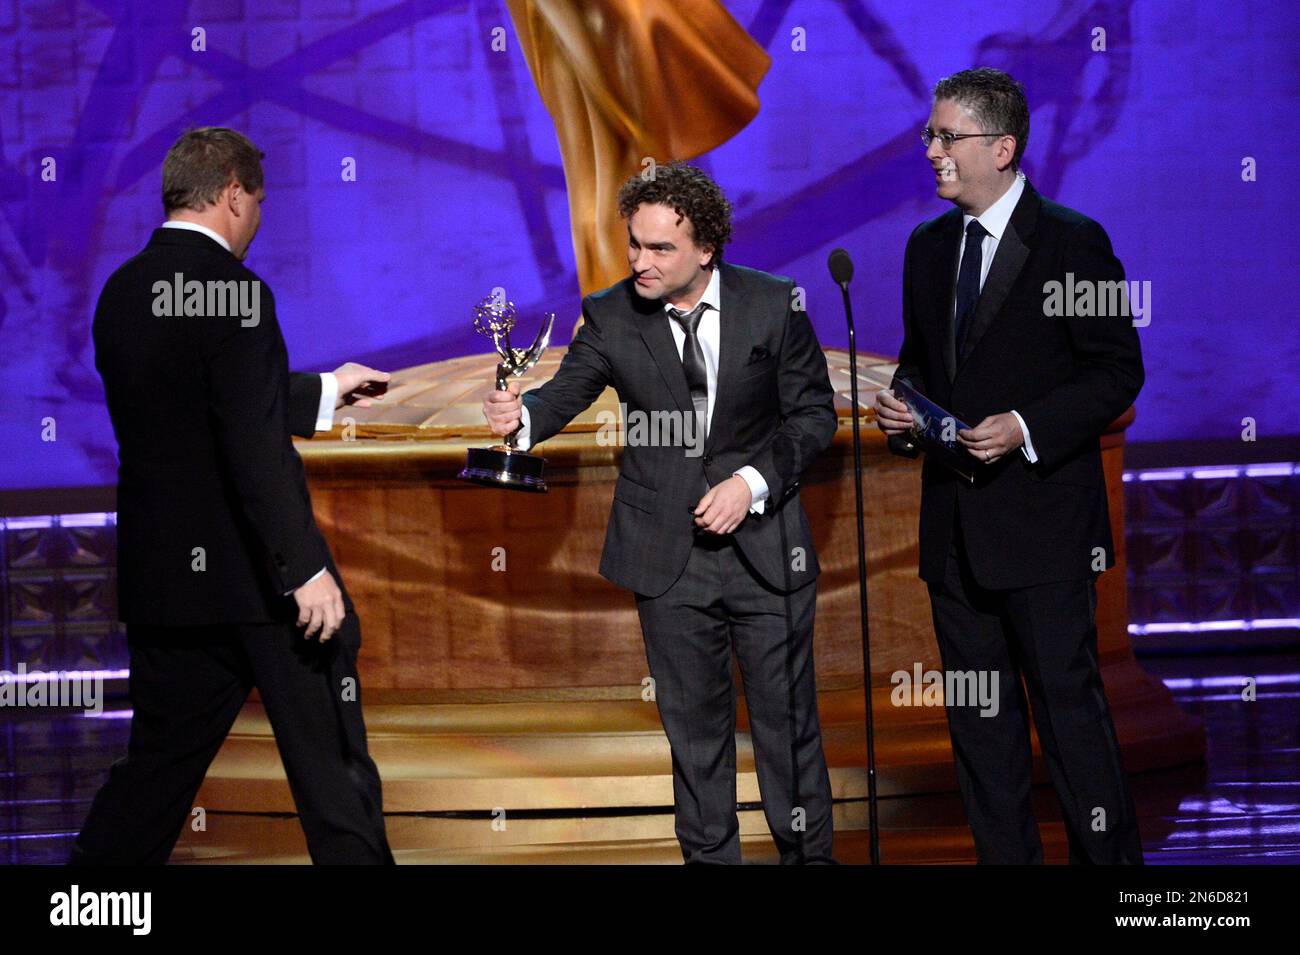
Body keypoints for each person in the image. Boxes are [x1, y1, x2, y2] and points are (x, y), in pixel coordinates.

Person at [483, 163, 838, 864]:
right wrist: (519, 418)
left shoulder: (774, 305)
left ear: (706, 248)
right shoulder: (612, 312)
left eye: (660, 249)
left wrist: (750, 482)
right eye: (634, 245)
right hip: (667, 559)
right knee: (696, 736)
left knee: (787, 728)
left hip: (769, 551)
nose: (641, 261)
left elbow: (813, 417)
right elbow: (565, 393)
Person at [74, 127, 394, 864]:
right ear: (231, 193)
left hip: (167, 589)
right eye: (257, 204)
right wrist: (305, 568)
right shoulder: (238, 292)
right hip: (260, 588)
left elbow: (198, 403)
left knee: (153, 777)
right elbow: (251, 444)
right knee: (334, 776)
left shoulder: (122, 292)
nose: (256, 222)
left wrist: (322, 391)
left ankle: (84, 911)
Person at [874, 68, 1145, 864]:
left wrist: (1025, 424)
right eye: (929, 135)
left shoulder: (1071, 242)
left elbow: (1114, 371)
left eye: (945, 137)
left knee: (1070, 721)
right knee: (981, 736)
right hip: (954, 540)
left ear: (1002, 147)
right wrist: (903, 411)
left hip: (1043, 531)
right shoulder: (927, 249)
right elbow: (923, 369)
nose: (930, 151)